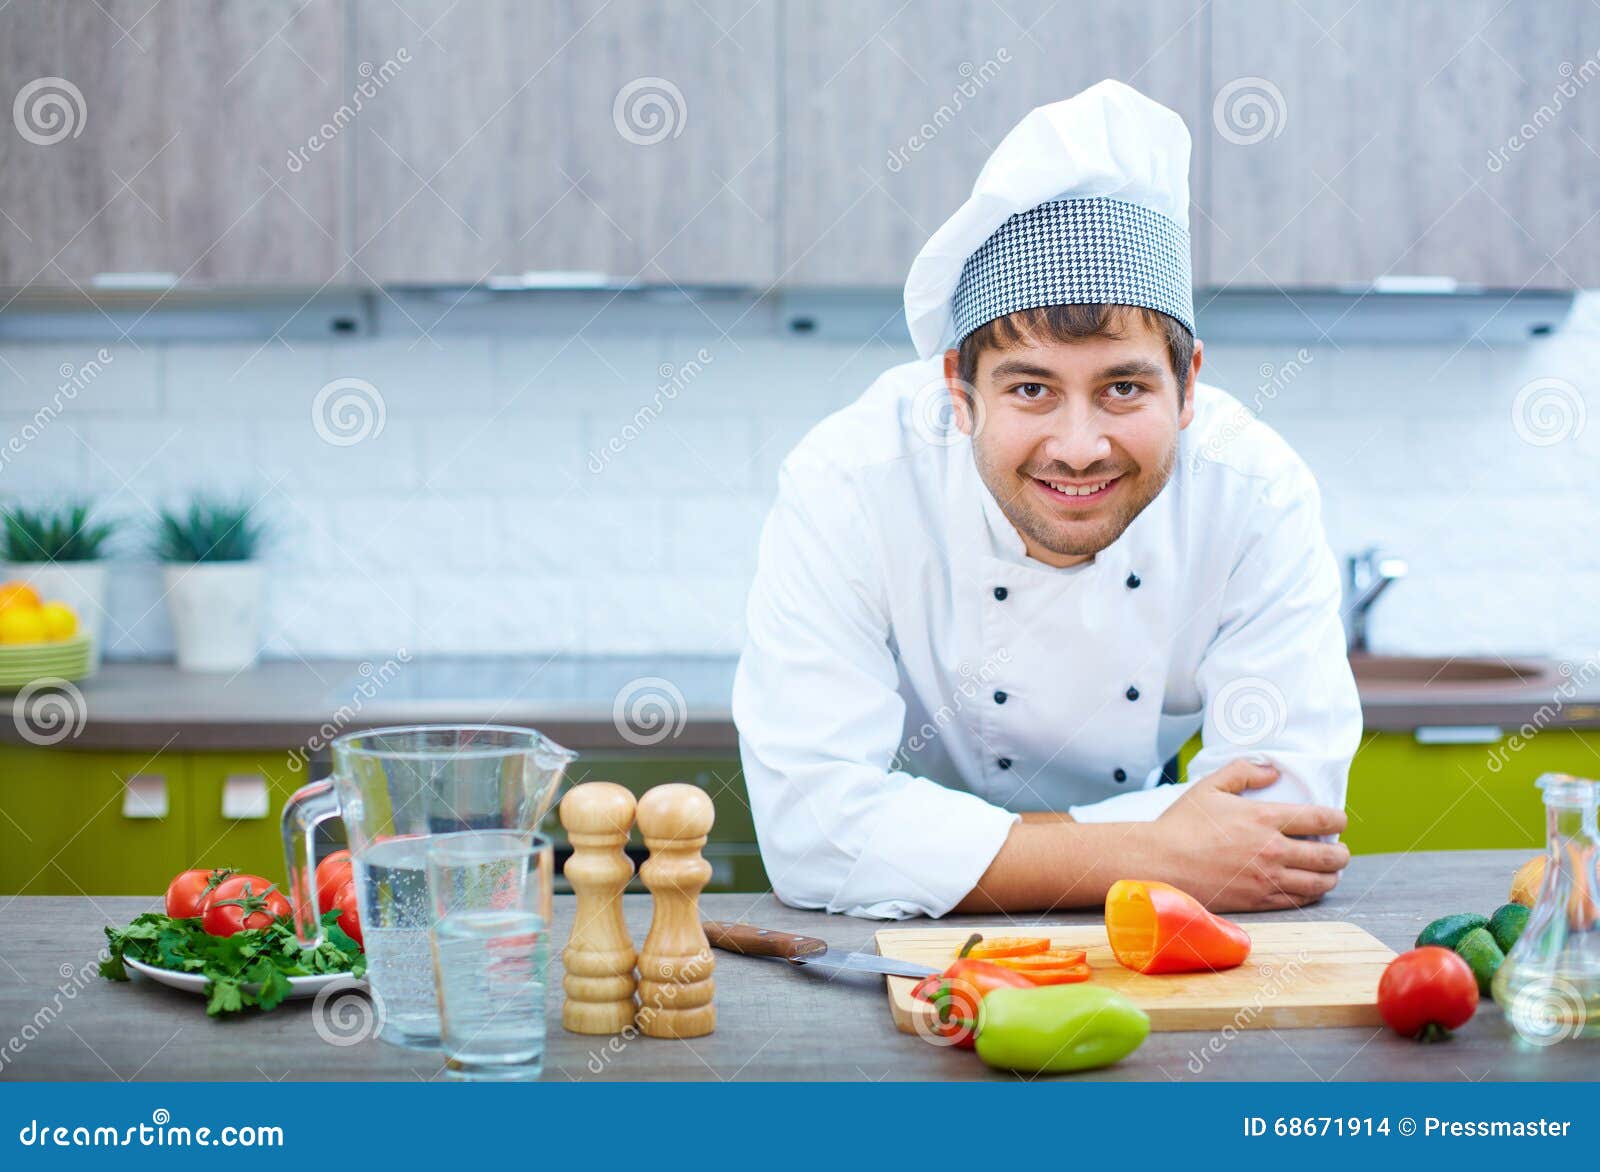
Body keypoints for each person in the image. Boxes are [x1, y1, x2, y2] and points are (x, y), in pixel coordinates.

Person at [732, 80, 1360, 919]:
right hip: (922, 945)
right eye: (1031, 389)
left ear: (1188, 386)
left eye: (1124, 388)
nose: (1079, 446)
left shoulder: (1255, 493)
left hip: (1107, 929)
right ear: (958, 391)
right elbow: (810, 834)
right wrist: (1154, 852)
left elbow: (1286, 823)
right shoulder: (849, 481)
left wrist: (926, 850)